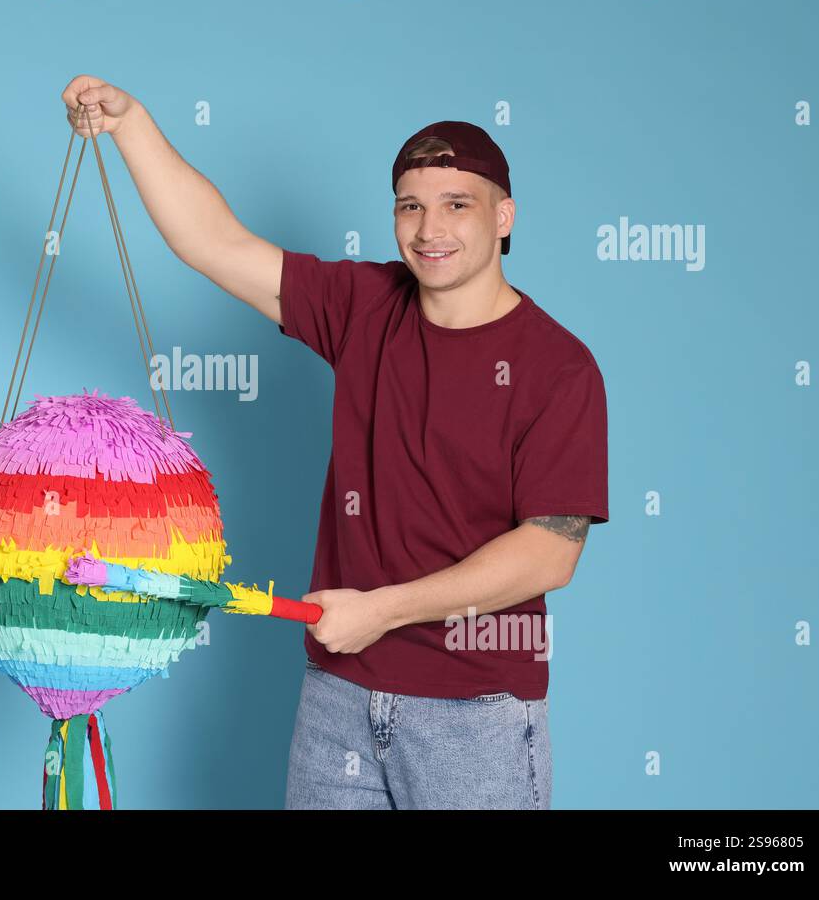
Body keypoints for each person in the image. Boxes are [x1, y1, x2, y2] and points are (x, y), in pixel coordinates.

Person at [59, 75, 609, 809]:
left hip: (473, 714)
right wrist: (131, 124)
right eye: (410, 206)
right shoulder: (365, 306)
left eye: (456, 205)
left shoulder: (559, 368)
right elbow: (215, 244)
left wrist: (382, 610)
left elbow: (550, 551)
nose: (429, 228)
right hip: (338, 698)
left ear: (503, 216)